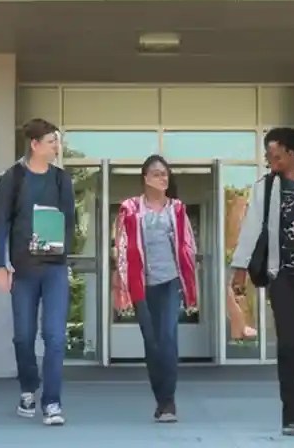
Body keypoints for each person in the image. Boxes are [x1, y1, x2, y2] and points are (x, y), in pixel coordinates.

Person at [229, 127, 294, 437]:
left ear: (292, 154)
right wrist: (239, 268)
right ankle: (290, 413)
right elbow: (252, 228)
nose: (270, 160)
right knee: (289, 345)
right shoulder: (266, 187)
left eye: (275, 154)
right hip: (282, 277)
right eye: (267, 155)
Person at [0, 118, 76, 426]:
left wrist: (59, 244)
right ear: (35, 144)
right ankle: (28, 388)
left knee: (54, 337)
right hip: (23, 272)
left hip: (53, 269)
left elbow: (69, 222)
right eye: (51, 141)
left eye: (57, 141)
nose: (56, 146)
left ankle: (52, 402)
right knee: (23, 337)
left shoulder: (61, 180)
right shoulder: (12, 179)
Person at [112, 155, 198, 423]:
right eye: (157, 174)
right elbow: (121, 246)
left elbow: (188, 246)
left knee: (168, 339)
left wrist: (189, 283)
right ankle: (160, 399)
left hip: (169, 282)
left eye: (165, 174)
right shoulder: (130, 208)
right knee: (152, 343)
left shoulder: (178, 209)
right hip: (141, 284)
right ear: (145, 178)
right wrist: (119, 280)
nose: (163, 178)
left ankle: (168, 401)